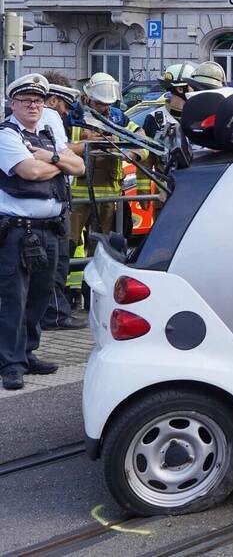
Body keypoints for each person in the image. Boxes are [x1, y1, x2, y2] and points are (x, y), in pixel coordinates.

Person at [0, 74, 86, 390]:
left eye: (37, 101)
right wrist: (59, 164)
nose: (33, 106)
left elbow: (80, 167)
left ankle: (27, 353)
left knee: (39, 297)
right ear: (13, 104)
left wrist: (51, 157)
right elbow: (30, 172)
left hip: (50, 229)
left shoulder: (48, 134)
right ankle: (10, 364)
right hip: (17, 232)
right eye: (26, 101)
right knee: (15, 299)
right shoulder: (6, 135)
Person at [66, 73, 146, 263]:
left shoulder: (118, 117)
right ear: (88, 97)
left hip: (109, 195)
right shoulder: (72, 116)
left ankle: (93, 280)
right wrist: (83, 143)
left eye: (107, 104)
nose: (104, 108)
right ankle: (67, 280)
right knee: (69, 243)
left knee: (101, 249)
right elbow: (59, 148)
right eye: (100, 103)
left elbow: (141, 136)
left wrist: (133, 154)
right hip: (77, 196)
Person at [39, 77, 88, 330]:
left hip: (50, 194)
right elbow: (65, 156)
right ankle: (55, 315)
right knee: (57, 261)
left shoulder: (40, 118)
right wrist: (83, 148)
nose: (66, 112)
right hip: (54, 194)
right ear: (54, 100)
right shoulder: (49, 116)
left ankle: (51, 313)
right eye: (64, 106)